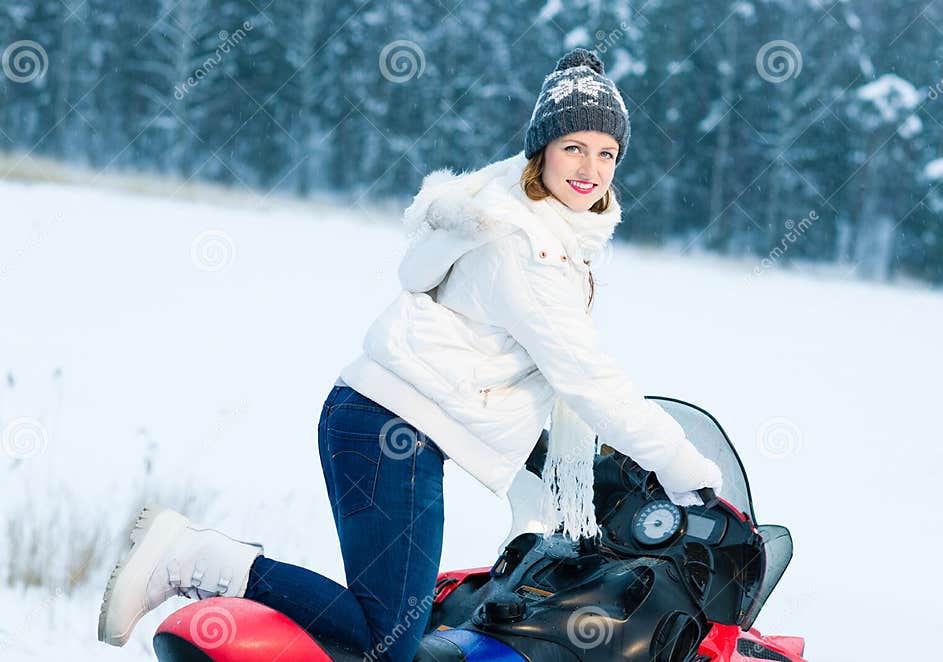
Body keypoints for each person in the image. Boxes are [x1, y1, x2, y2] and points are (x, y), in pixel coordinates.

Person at [96, 47, 722, 662]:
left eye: (607, 152)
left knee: (391, 627)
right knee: (384, 637)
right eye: (574, 148)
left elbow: (509, 369)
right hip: (391, 432)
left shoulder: (535, 225)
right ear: (542, 152)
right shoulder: (531, 246)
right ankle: (198, 558)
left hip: (380, 424)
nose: (591, 167)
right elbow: (587, 379)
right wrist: (680, 466)